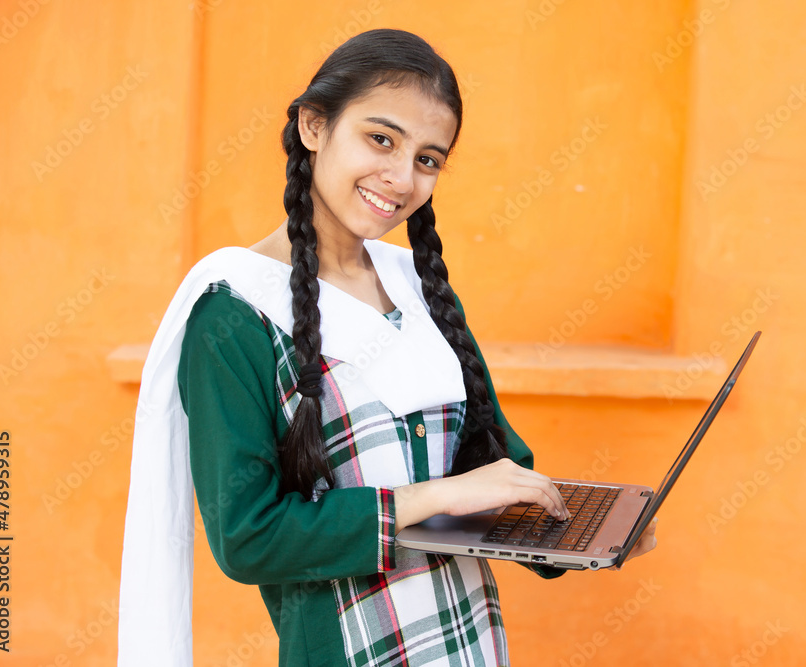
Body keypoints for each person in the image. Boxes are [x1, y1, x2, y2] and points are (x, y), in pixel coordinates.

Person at [118, 28, 657, 667]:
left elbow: (495, 470)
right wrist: (432, 499)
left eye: (428, 159)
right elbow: (248, 538)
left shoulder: (419, 288)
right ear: (315, 127)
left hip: (470, 644)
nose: (401, 178)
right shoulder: (236, 313)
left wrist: (584, 533)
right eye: (381, 139)